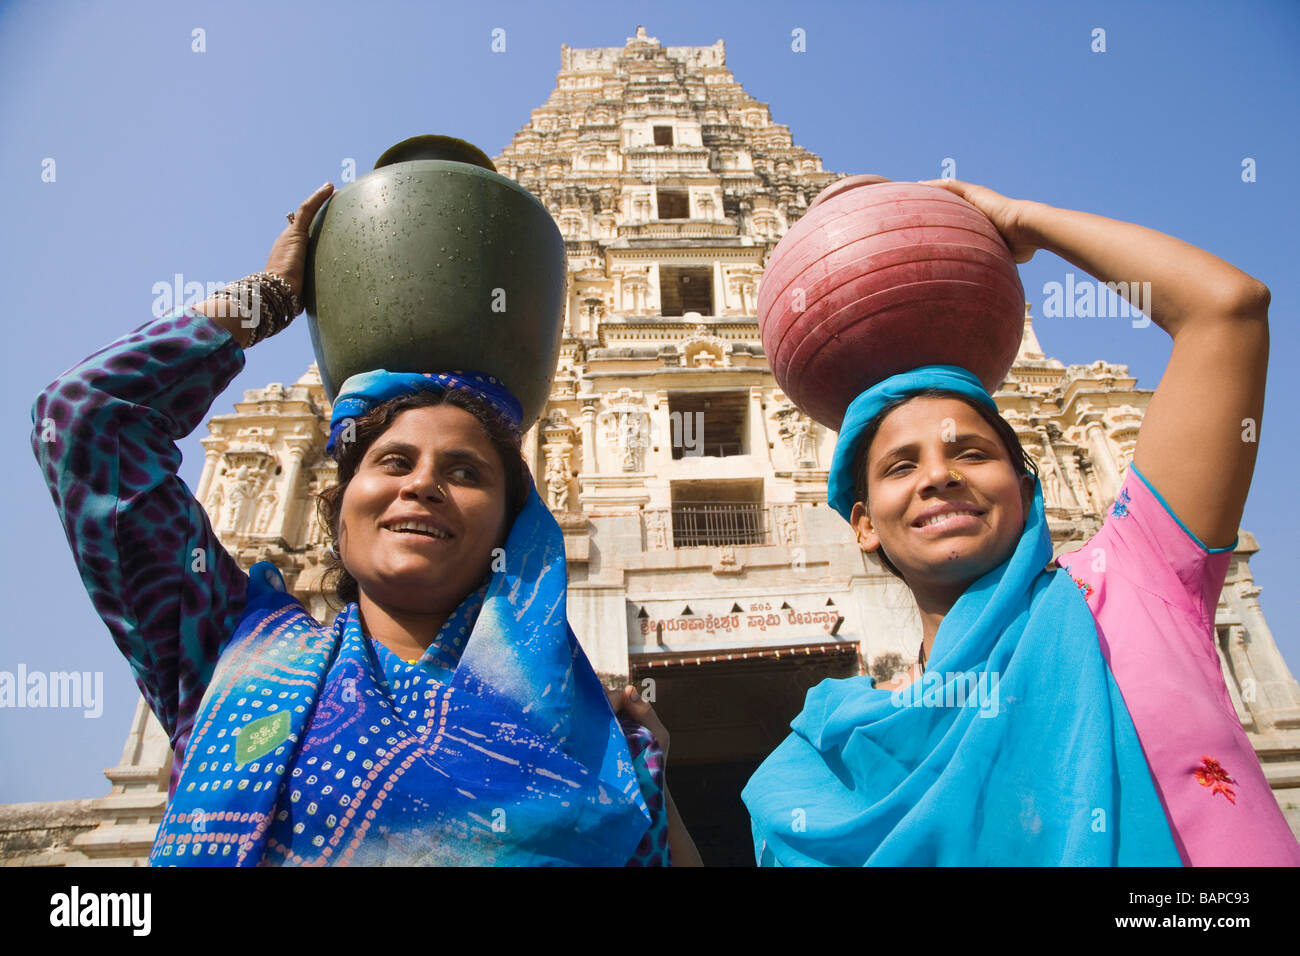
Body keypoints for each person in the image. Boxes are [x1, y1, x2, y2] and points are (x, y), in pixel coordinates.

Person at [31, 183, 702, 867]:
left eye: (466, 472)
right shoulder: (228, 652)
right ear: (341, 504)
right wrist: (266, 301)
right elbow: (83, 419)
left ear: (514, 529)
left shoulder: (600, 750)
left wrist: (653, 784)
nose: (422, 484)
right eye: (392, 461)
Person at [742, 178, 1300, 866]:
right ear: (863, 522)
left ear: (1026, 483)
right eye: (900, 466)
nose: (939, 476)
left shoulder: (1134, 579)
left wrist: (1021, 221)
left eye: (970, 452)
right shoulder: (836, 753)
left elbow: (1229, 309)